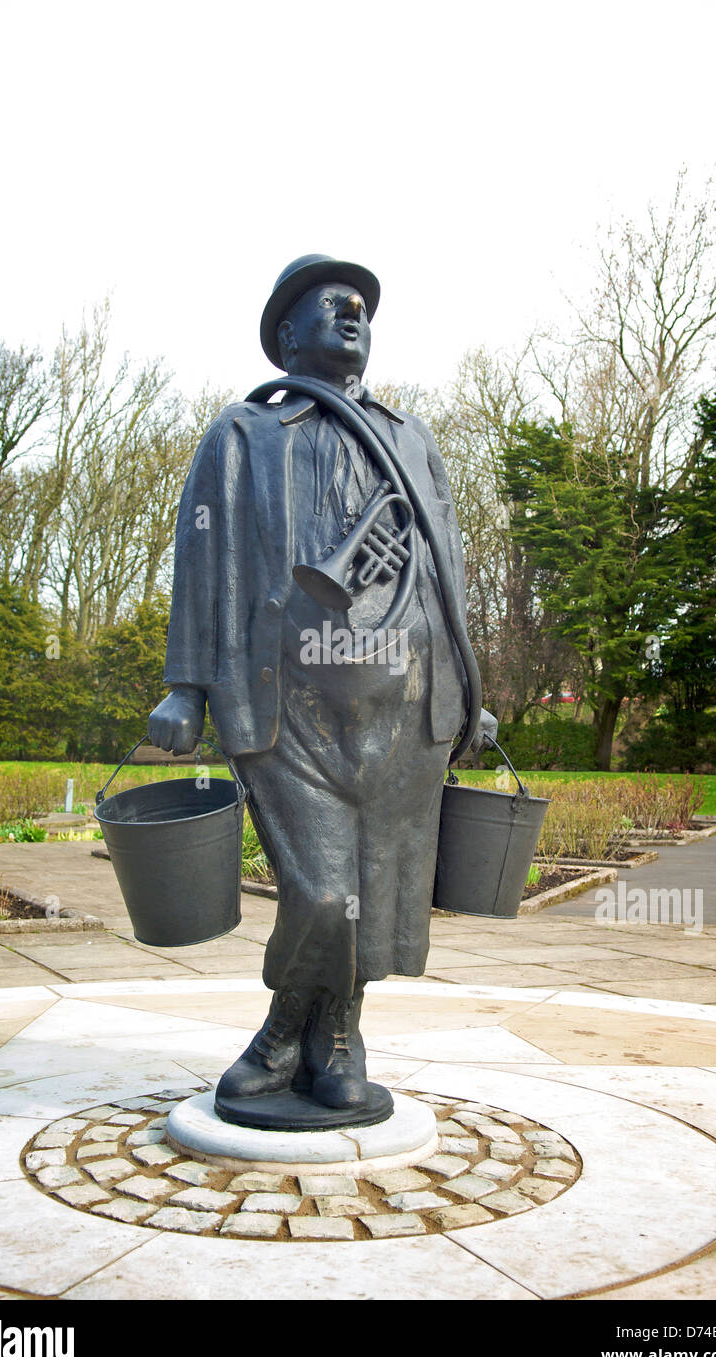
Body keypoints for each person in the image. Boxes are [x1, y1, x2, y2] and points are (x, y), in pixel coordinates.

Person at [147, 254, 492, 1119]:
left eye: (361, 310)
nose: (351, 318)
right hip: (285, 703)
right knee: (319, 888)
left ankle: (335, 1041)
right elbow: (203, 559)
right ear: (286, 334)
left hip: (404, 706)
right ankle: (279, 1035)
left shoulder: (410, 440)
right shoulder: (245, 435)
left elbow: (450, 568)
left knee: (373, 890)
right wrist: (186, 685)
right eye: (329, 307)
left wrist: (471, 687)